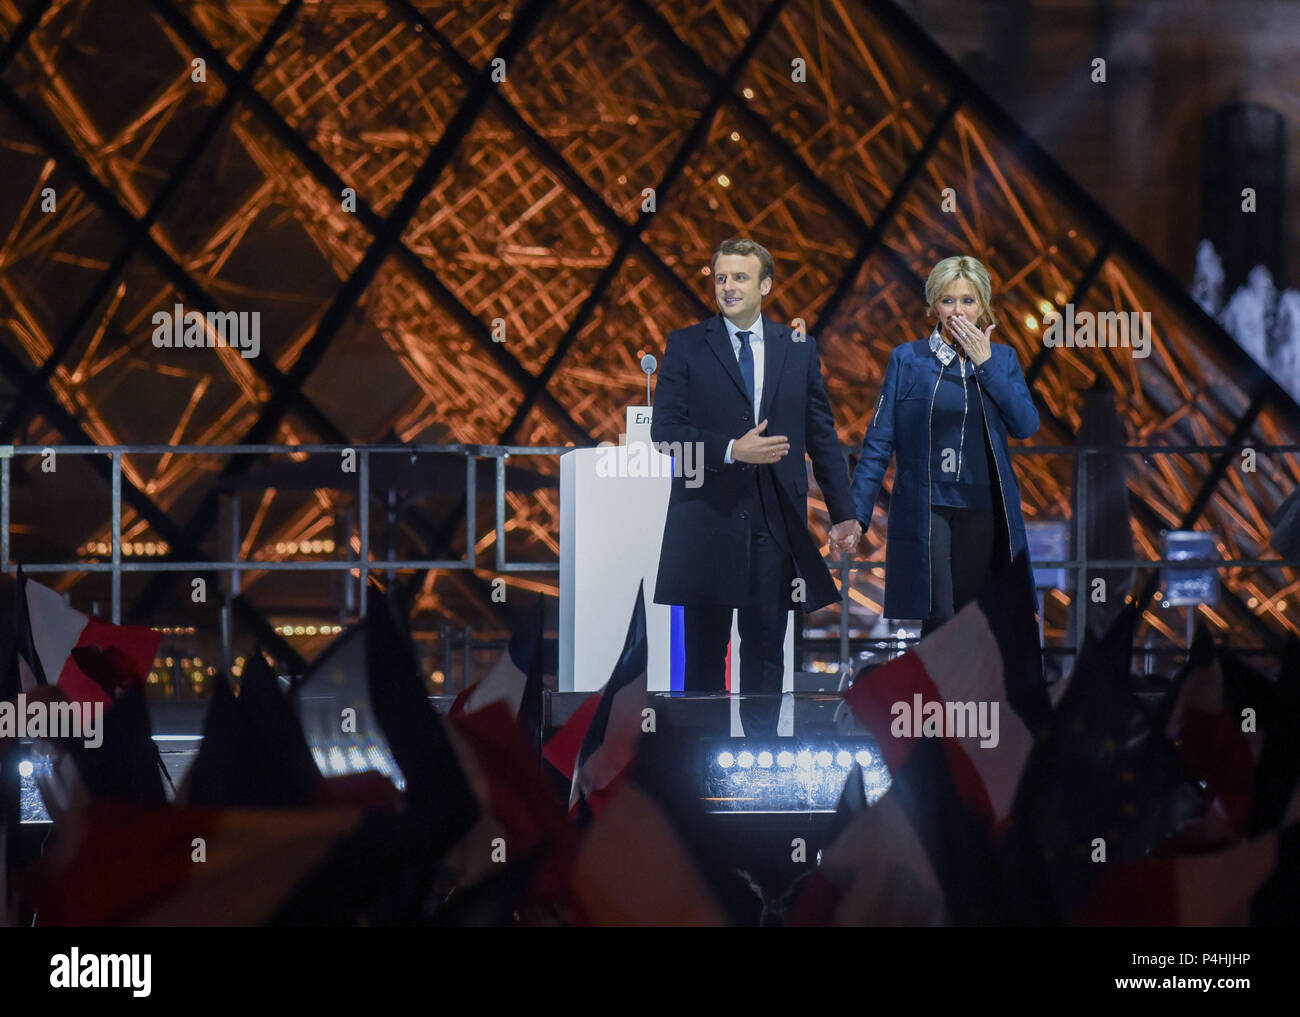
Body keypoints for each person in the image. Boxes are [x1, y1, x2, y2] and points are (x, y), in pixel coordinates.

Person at [651, 237, 860, 734]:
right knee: (703, 650)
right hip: (706, 519)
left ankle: (758, 760)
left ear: (765, 285)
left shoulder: (798, 350)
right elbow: (665, 434)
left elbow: (822, 438)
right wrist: (730, 450)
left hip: (775, 520)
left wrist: (844, 512)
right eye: (721, 277)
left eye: (739, 277)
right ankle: (697, 763)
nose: (727, 287)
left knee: (766, 647)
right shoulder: (686, 344)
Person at [850, 255, 1039, 635]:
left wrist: (985, 364)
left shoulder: (1002, 359)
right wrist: (856, 514)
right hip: (928, 503)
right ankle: (932, 695)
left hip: (982, 506)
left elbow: (1026, 425)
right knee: (938, 613)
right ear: (934, 305)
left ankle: (961, 695)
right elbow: (878, 441)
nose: (958, 311)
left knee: (973, 617)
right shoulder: (907, 359)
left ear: (983, 305)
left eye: (968, 300)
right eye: (948, 300)